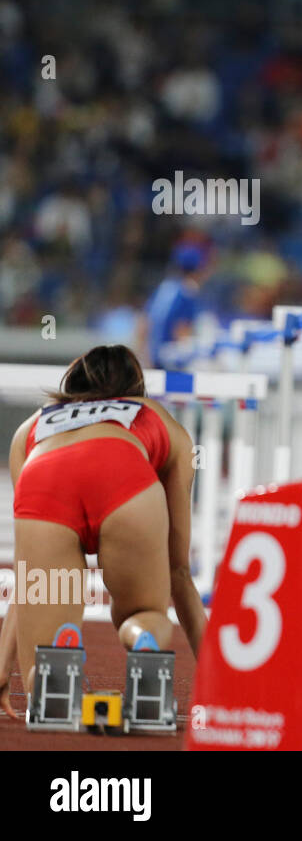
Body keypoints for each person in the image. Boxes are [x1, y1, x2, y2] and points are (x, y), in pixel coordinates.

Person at [1, 345, 207, 719]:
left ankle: (57, 660)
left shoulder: (30, 429)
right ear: (136, 386)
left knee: (41, 677)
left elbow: (26, 573)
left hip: (45, 481)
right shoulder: (157, 417)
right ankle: (141, 639)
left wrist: (1, 671)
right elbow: (179, 571)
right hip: (124, 478)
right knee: (143, 611)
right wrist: (217, 679)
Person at [141, 242, 210, 368]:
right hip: (170, 360)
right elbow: (181, 331)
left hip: (153, 356)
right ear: (199, 269)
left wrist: (145, 356)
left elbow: (144, 324)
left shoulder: (164, 288)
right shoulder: (188, 291)